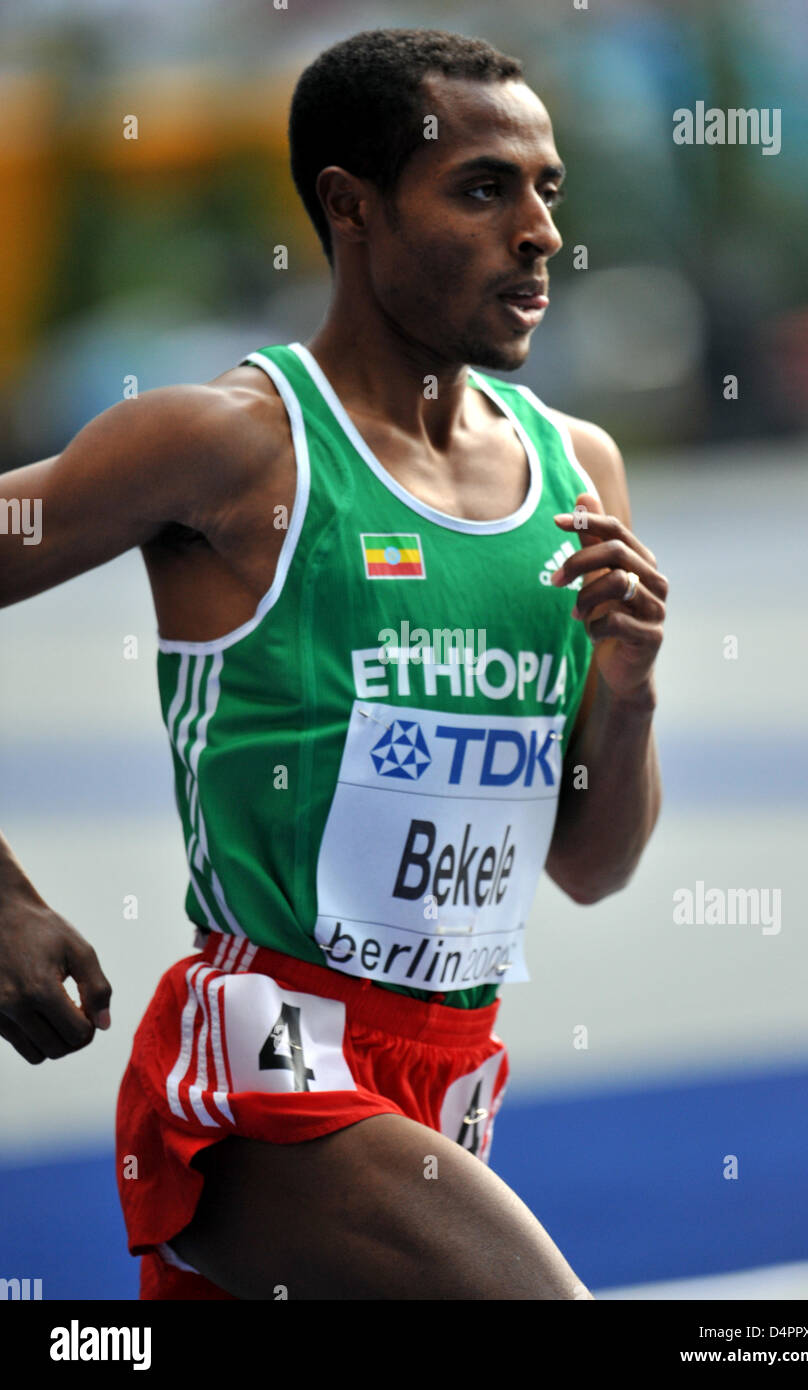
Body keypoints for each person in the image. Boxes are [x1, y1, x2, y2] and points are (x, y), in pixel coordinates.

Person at [0, 28, 667, 1300]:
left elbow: (591, 862)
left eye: (548, 189)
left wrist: (626, 695)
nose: (538, 233)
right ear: (349, 208)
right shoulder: (229, 447)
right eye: (484, 187)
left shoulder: (580, 472)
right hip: (265, 1069)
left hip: (448, 1073)